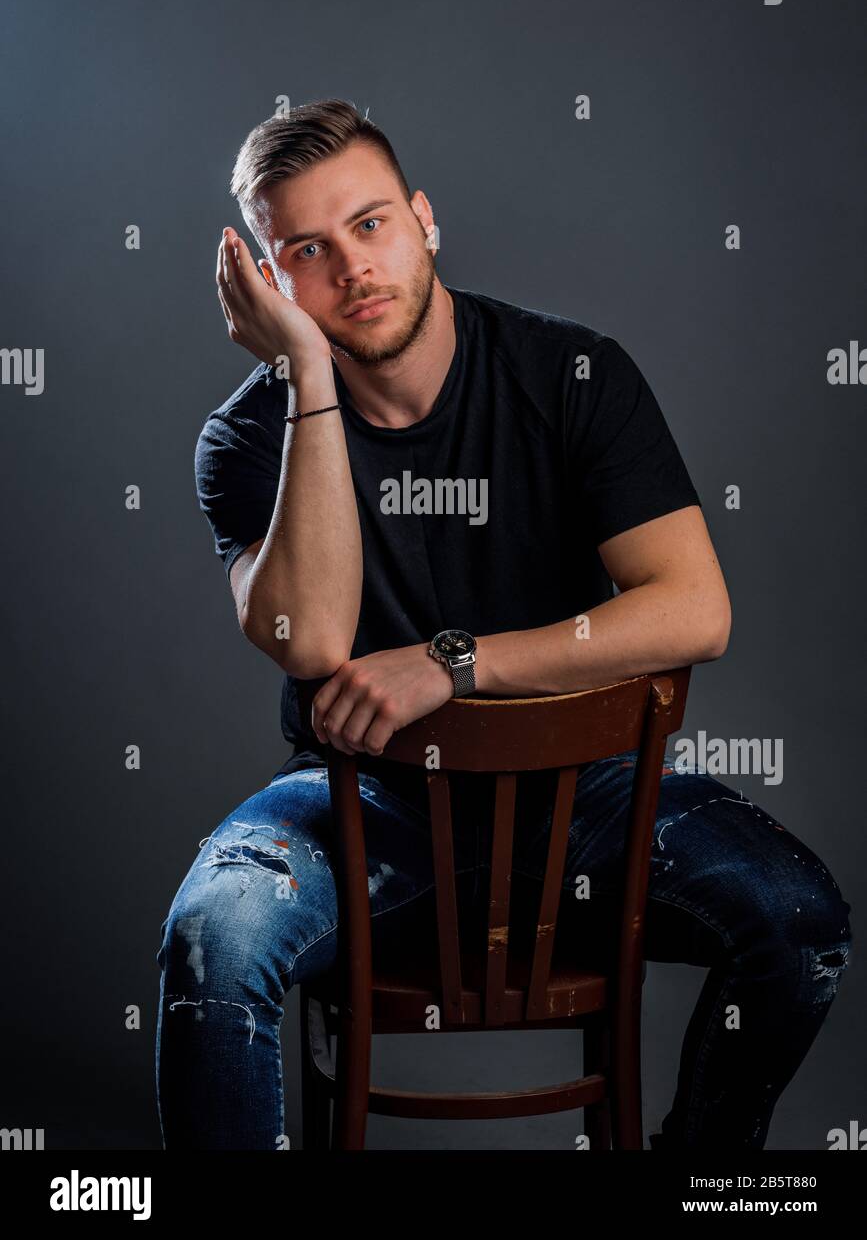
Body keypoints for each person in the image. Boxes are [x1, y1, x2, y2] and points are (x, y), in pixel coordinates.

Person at [155, 98, 851, 1150]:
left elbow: (695, 607)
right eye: (305, 248)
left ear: (426, 220)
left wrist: (455, 664)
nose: (351, 267)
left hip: (588, 801)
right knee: (215, 943)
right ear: (266, 281)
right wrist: (307, 380)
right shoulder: (249, 436)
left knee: (801, 917)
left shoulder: (572, 376)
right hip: (366, 803)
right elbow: (312, 640)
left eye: (372, 222)